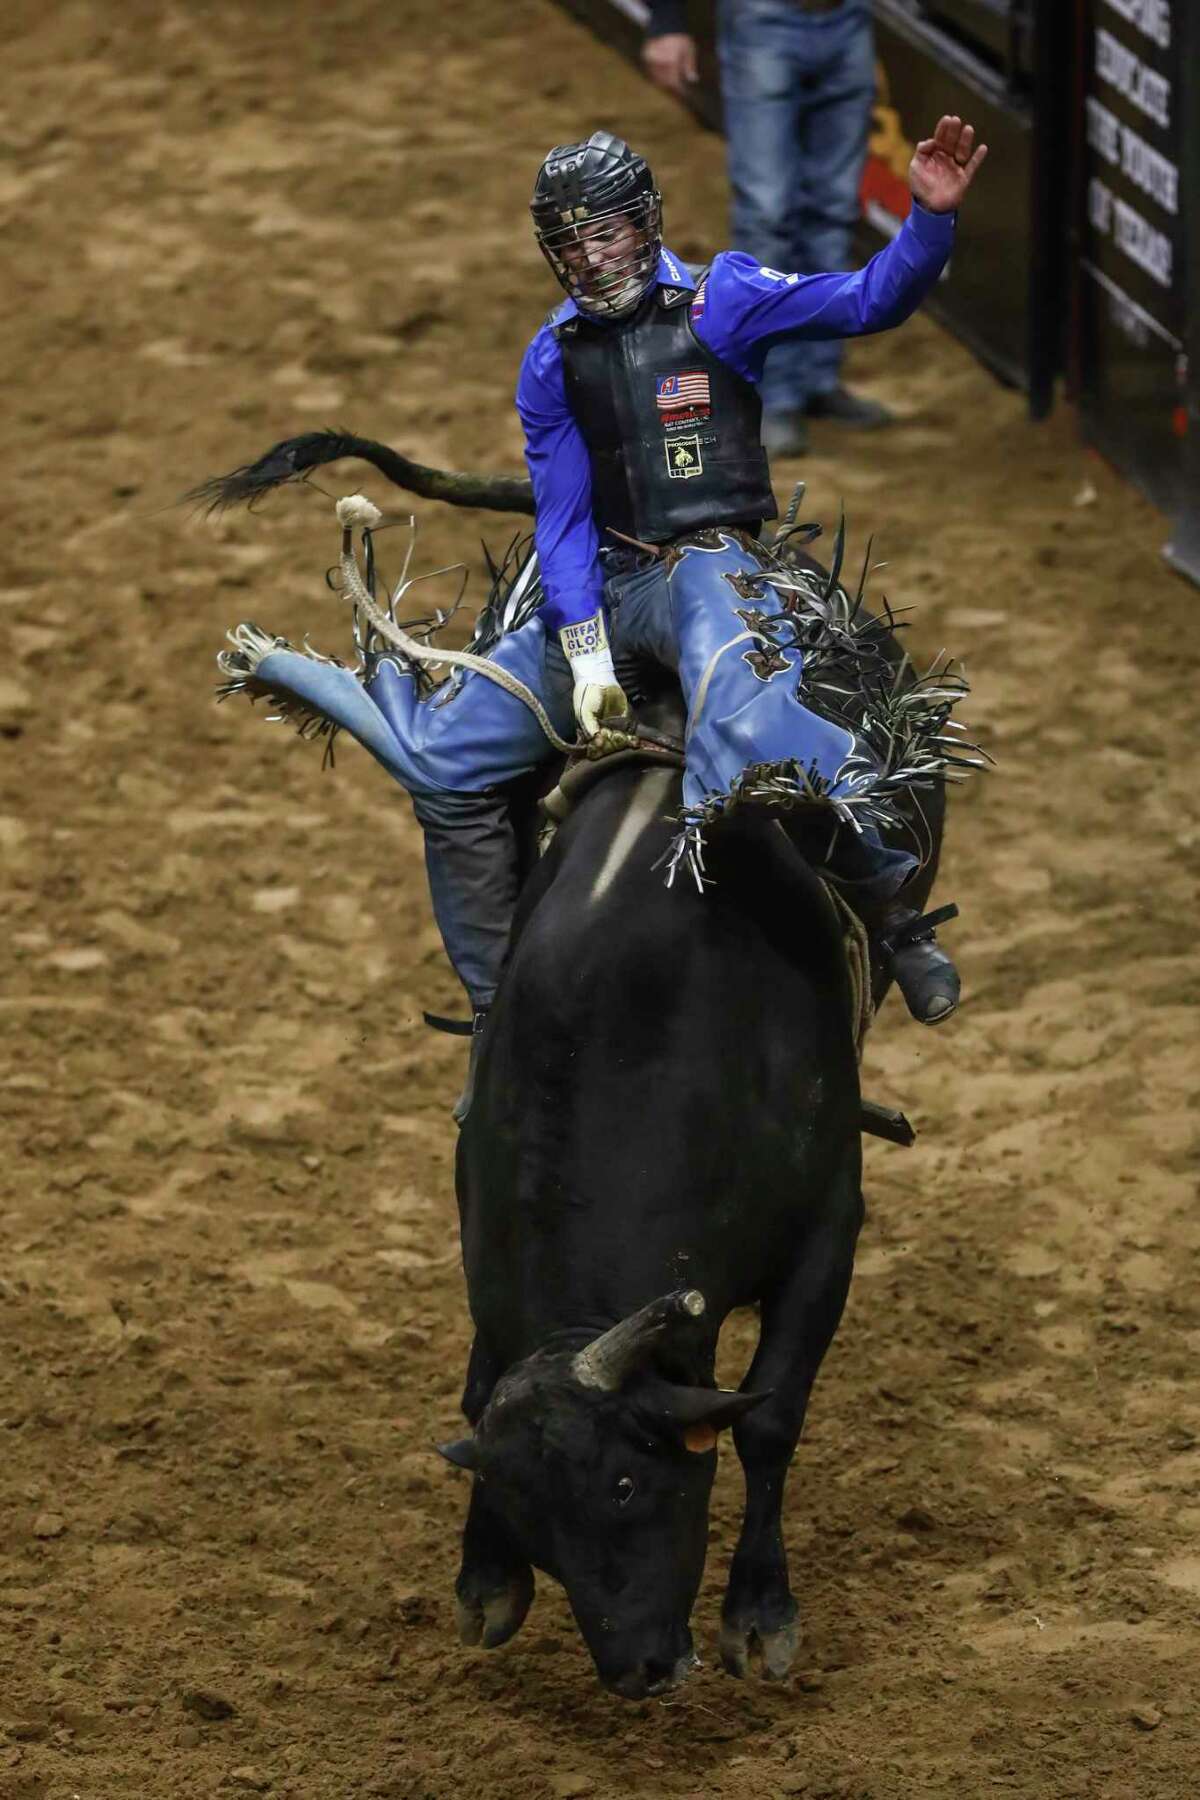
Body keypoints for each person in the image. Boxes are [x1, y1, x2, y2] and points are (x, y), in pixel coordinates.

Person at [217, 120, 986, 1116]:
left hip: (709, 569)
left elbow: (871, 298)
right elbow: (564, 519)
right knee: (445, 767)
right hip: (608, 590)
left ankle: (891, 918)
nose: (589, 257)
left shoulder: (724, 299)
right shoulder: (552, 358)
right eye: (569, 243)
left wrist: (929, 219)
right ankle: (497, 1018)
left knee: (748, 713)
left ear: (646, 224)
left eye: (606, 233)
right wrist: (583, 653)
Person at [644, 0, 890, 456]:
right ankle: (770, 395)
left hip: (848, 17)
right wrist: (667, 22)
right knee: (767, 216)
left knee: (832, 212)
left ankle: (817, 379)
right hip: (762, 20)